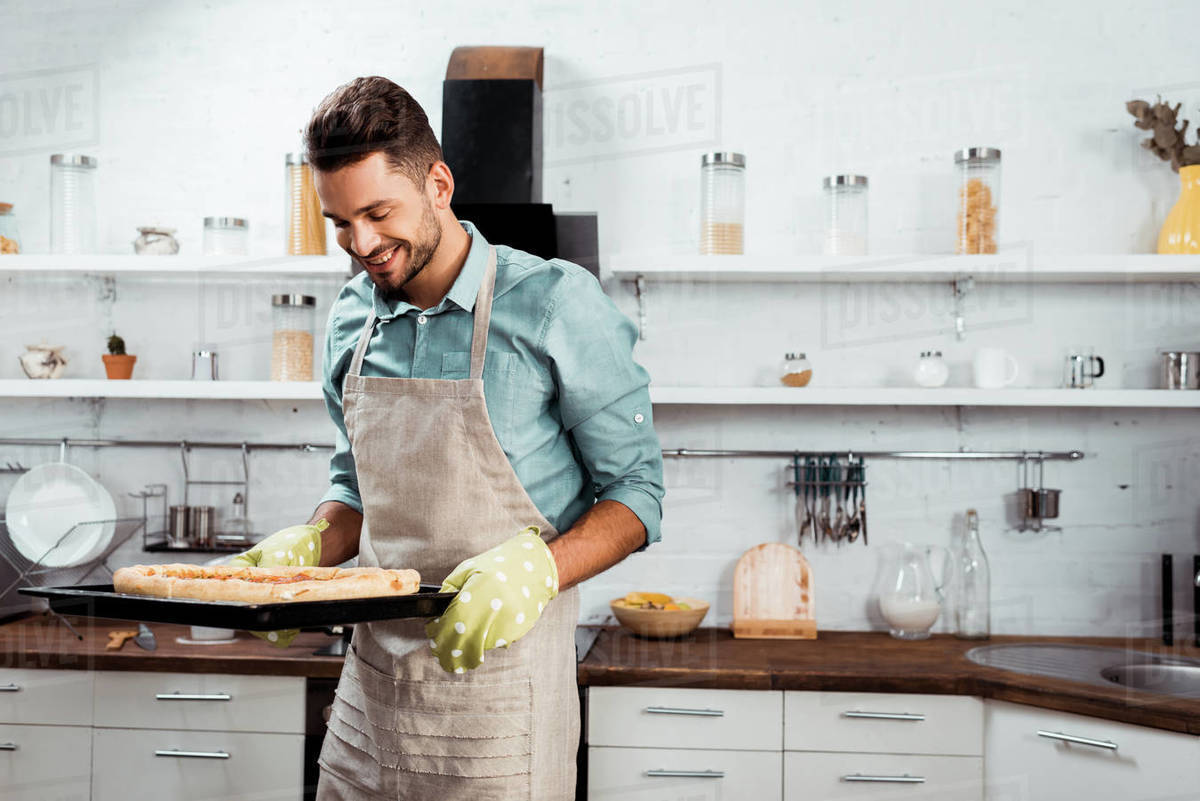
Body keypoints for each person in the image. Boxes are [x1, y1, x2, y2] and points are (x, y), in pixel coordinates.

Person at [232, 75, 665, 799]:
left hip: (501, 711)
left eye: (377, 212)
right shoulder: (349, 321)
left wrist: (541, 570)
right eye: (340, 222)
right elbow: (355, 491)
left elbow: (637, 496)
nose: (362, 244)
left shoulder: (556, 304)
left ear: (438, 183)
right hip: (370, 705)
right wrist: (307, 548)